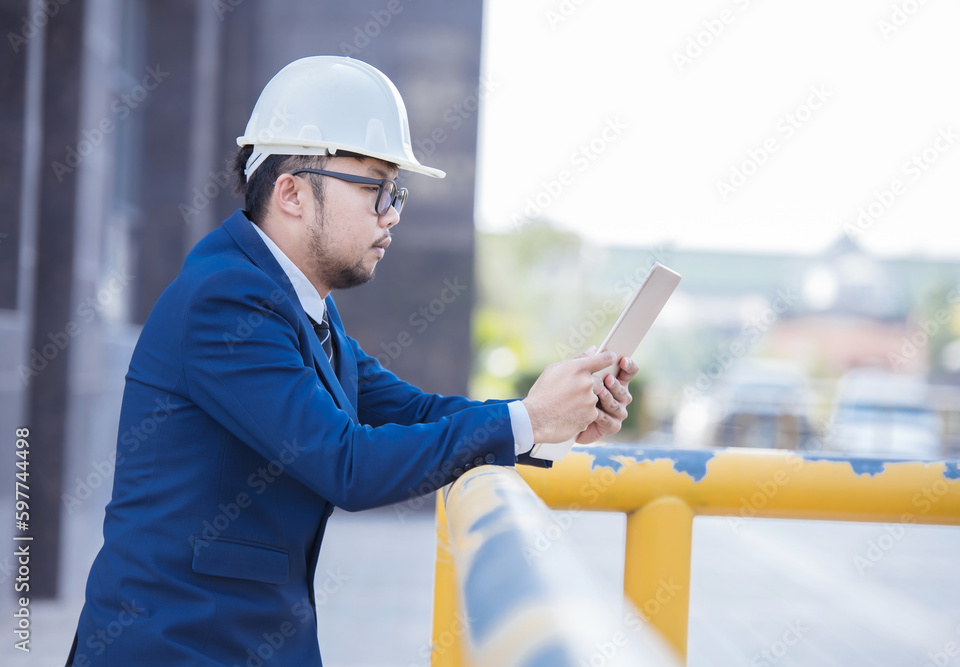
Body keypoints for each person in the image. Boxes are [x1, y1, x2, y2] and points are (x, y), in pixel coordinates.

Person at [67, 56, 637, 666]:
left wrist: (550, 417)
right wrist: (526, 419)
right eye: (374, 189)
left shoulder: (301, 304)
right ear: (290, 192)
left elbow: (412, 410)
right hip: (171, 648)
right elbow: (348, 463)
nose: (391, 213)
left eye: (396, 192)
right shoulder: (225, 301)